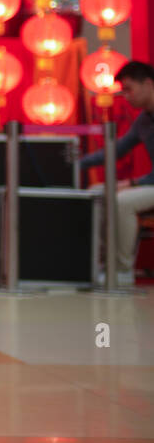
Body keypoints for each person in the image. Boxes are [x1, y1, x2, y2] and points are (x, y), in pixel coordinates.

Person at [80, 60, 154, 284]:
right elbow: (117, 150)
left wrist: (133, 183)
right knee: (96, 192)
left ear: (149, 84)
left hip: (149, 183)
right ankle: (101, 263)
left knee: (123, 202)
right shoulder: (144, 121)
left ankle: (122, 271)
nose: (126, 96)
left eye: (129, 89)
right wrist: (77, 162)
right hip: (150, 183)